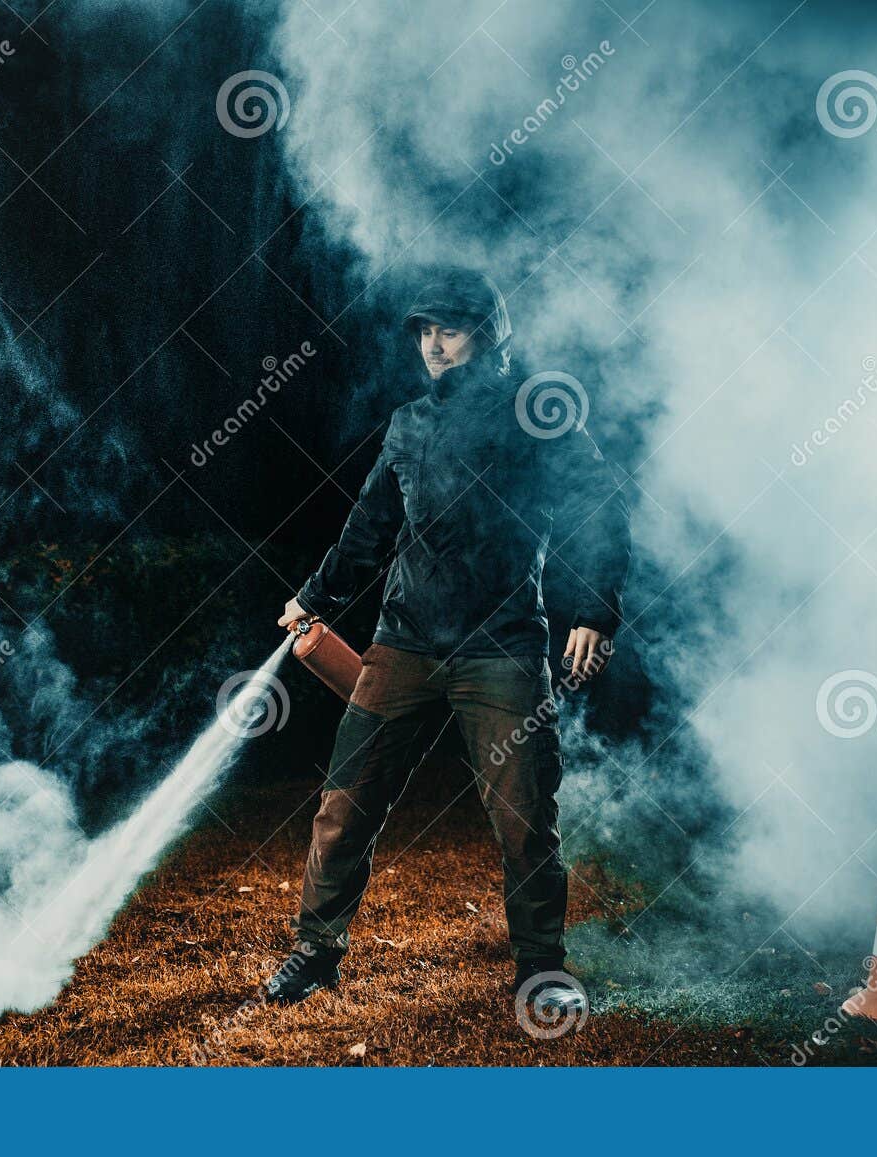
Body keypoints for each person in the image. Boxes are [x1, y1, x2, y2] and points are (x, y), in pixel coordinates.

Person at [268, 268, 632, 1015]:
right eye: (424, 330)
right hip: (403, 641)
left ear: (489, 334)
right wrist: (313, 595)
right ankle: (316, 950)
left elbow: (597, 504)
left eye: (451, 328)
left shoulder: (537, 415)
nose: (433, 343)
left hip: (500, 646)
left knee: (526, 817)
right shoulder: (409, 423)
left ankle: (539, 966)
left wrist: (594, 609)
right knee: (346, 801)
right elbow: (369, 527)